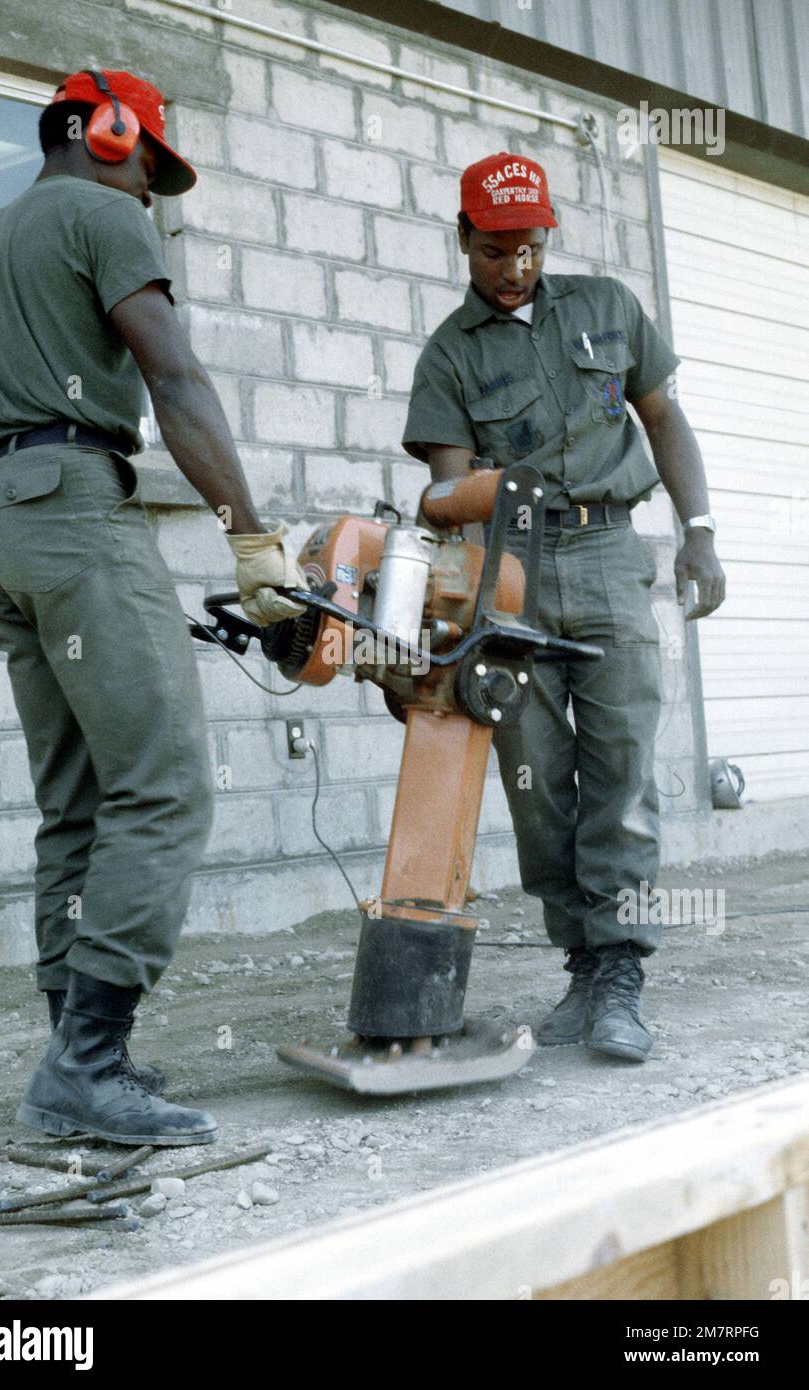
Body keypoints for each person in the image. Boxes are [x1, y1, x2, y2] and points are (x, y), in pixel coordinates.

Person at [0, 69, 307, 1144]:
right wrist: (252, 540)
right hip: (72, 510)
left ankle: (76, 1056)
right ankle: (87, 1065)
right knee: (164, 785)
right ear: (108, 133)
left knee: (80, 799)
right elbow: (178, 381)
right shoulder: (104, 216)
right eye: (154, 166)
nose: (154, 195)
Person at [402, 152, 725, 1063]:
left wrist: (697, 529)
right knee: (536, 783)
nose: (515, 268)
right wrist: (458, 536)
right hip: (510, 569)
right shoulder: (449, 355)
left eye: (531, 247)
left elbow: (662, 418)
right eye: (496, 249)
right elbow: (445, 490)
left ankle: (621, 972)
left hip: (611, 553)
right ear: (463, 240)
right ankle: (582, 969)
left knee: (620, 770)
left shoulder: (608, 307)